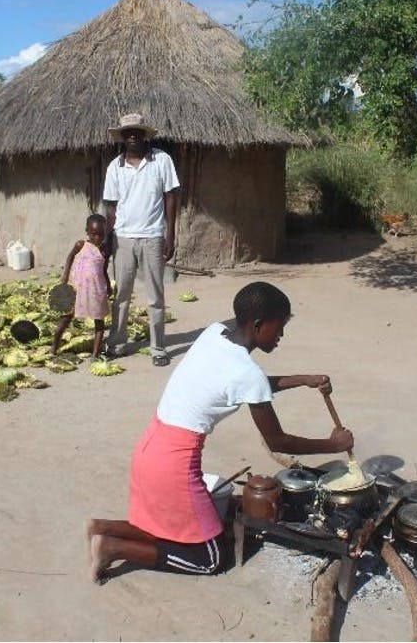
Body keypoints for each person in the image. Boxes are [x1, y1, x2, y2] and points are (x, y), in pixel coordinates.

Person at [85, 281, 354, 582]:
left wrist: (304, 379)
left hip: (151, 446)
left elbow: (249, 386)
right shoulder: (247, 373)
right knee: (209, 558)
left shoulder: (215, 333)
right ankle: (111, 547)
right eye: (279, 328)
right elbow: (277, 440)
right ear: (258, 325)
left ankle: (103, 528)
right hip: (174, 464)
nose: (281, 336)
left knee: (172, 526)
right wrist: (333, 445)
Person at [101, 113, 179, 367]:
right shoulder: (115, 167)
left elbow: (171, 197)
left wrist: (171, 233)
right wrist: (107, 237)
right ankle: (117, 344)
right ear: (122, 137)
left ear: (145, 134)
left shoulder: (161, 160)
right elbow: (111, 207)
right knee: (121, 294)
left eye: (137, 131)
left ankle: (158, 348)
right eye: (128, 132)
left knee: (155, 296)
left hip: (153, 237)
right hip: (123, 239)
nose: (132, 136)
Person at [52, 214, 111, 357]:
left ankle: (95, 355)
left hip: (96, 290)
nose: (97, 238)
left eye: (101, 234)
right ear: (87, 231)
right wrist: (65, 275)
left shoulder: (105, 250)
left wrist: (108, 284)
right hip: (77, 288)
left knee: (99, 322)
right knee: (65, 319)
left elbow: (103, 269)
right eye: (94, 234)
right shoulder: (80, 245)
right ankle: (54, 347)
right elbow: (70, 257)